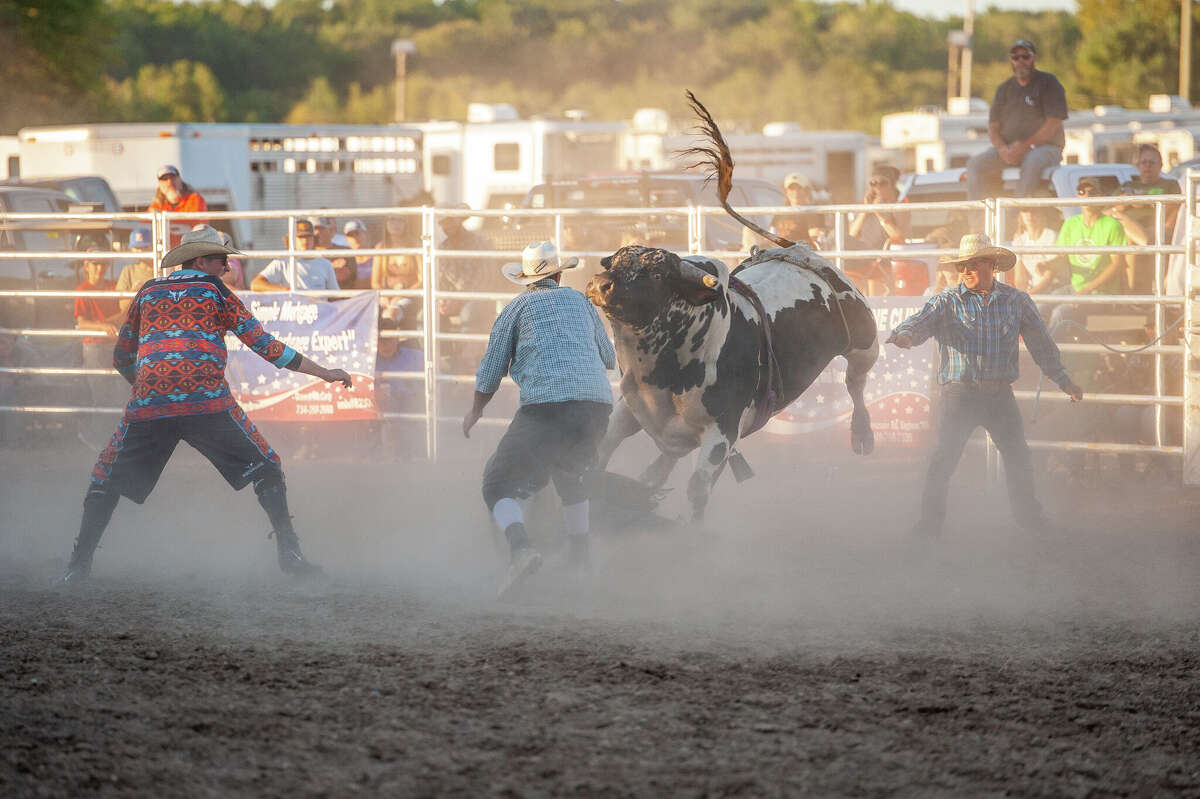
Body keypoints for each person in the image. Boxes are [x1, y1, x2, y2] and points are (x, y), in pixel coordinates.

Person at [58, 226, 352, 584]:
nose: (227, 268)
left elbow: (121, 354)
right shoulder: (217, 292)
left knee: (104, 477)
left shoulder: (148, 291)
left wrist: (153, 386)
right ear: (201, 260)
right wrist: (323, 372)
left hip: (150, 404)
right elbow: (264, 345)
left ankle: (78, 566)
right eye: (221, 259)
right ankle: (290, 556)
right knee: (267, 466)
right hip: (207, 403)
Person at [886, 234, 1083, 537]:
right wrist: (906, 334)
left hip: (998, 394)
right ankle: (929, 524)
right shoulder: (947, 301)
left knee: (1017, 456)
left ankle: (1029, 517)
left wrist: (1064, 380)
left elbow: (1041, 345)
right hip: (960, 393)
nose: (964, 270)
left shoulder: (1017, 301)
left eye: (972, 263)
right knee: (944, 459)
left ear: (990, 265)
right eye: (962, 265)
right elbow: (921, 321)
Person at [462, 241, 615, 598]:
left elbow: (491, 369)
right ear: (560, 274)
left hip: (547, 407)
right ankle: (581, 559)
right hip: (596, 406)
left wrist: (476, 409)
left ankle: (521, 551)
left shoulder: (516, 309)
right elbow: (608, 357)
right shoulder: (581, 302)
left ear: (526, 279)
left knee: (497, 483)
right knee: (569, 473)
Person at [966, 40, 1068, 202]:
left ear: (1034, 58)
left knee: (1032, 161)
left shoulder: (1049, 83)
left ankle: (1015, 215)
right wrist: (1002, 149)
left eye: (1025, 56)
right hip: (1009, 150)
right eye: (1016, 57)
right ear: (1011, 61)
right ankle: (978, 223)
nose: (1021, 61)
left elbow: (1053, 123)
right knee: (974, 165)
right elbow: (993, 128)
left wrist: (1027, 145)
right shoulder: (1004, 89)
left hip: (1044, 148)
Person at [74, 248, 125, 446]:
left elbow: (124, 312)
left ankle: (108, 438)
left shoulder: (113, 287)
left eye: (103, 264)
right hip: (94, 345)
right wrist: (103, 326)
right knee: (101, 393)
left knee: (120, 392)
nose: (100, 268)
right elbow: (82, 323)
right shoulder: (82, 290)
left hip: (112, 344)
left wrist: (104, 324)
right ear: (87, 266)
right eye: (96, 264)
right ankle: (97, 437)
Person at [1116, 144, 1182, 293]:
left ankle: (1131, 295)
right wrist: (1120, 206)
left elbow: (1174, 207)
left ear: (1161, 165)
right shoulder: (1127, 186)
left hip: (1157, 230)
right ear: (1137, 165)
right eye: (1143, 162)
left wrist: (1139, 203)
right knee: (1121, 223)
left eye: (1152, 162)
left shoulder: (1170, 185)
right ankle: (1130, 295)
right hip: (1126, 231)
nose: (1147, 166)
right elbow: (1106, 210)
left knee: (1131, 241)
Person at [1057, 177, 1134, 298]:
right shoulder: (1070, 224)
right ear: (1078, 197)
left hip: (1103, 292)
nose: (1087, 195)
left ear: (1101, 196)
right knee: (1040, 306)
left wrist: (1086, 290)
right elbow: (1060, 257)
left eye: (1092, 192)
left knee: (1060, 312)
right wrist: (1046, 264)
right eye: (1082, 192)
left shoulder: (1112, 225)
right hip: (1075, 288)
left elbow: (1117, 265)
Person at [847, 165, 908, 296]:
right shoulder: (866, 204)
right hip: (864, 254)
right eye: (873, 183)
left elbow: (898, 235)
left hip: (885, 256)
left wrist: (880, 213)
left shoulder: (900, 205)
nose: (878, 187)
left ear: (892, 184)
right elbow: (852, 233)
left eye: (883, 183)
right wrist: (866, 210)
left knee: (873, 276)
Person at [251, 218, 340, 291]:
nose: (305, 241)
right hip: (295, 311)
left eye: (309, 237)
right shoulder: (283, 262)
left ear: (314, 239)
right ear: (291, 240)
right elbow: (255, 284)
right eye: (300, 237)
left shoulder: (325, 264)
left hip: (320, 311)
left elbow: (336, 296)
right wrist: (285, 291)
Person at [372, 216, 422, 324]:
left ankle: (391, 339)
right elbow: (375, 282)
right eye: (392, 220)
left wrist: (401, 295)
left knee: (391, 313)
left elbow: (422, 281)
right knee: (373, 313)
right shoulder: (381, 247)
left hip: (410, 296)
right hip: (386, 296)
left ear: (406, 224)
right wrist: (384, 295)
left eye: (400, 220)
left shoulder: (416, 246)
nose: (396, 224)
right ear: (386, 224)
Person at [1009, 205, 1064, 294]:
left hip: (1054, 289)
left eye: (1034, 210)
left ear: (1042, 214)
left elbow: (1049, 277)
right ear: (1020, 215)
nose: (1030, 214)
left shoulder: (1051, 236)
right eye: (1025, 210)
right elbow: (1020, 278)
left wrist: (1028, 296)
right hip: (1033, 291)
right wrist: (1020, 296)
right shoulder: (1019, 240)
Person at [148, 165, 208, 246]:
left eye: (173, 177)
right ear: (159, 184)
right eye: (165, 179)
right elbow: (146, 227)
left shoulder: (195, 199)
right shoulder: (157, 204)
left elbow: (195, 226)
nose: (169, 182)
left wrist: (166, 224)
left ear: (180, 180)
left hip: (191, 247)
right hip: (166, 249)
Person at [772, 172, 825, 248]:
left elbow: (815, 241)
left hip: (798, 254)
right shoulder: (780, 212)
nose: (795, 193)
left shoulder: (811, 212)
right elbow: (771, 233)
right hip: (779, 253)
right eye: (791, 189)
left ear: (806, 191)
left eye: (799, 188)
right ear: (786, 192)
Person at [115, 228, 156, 313]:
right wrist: (134, 291)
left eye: (145, 247)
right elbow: (122, 306)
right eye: (137, 247)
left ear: (153, 247)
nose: (141, 251)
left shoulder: (161, 269)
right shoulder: (128, 271)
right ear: (132, 250)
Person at [343, 220, 374, 289]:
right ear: (347, 239)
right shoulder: (345, 261)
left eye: (357, 233)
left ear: (366, 234)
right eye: (350, 235)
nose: (354, 238)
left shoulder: (378, 256)